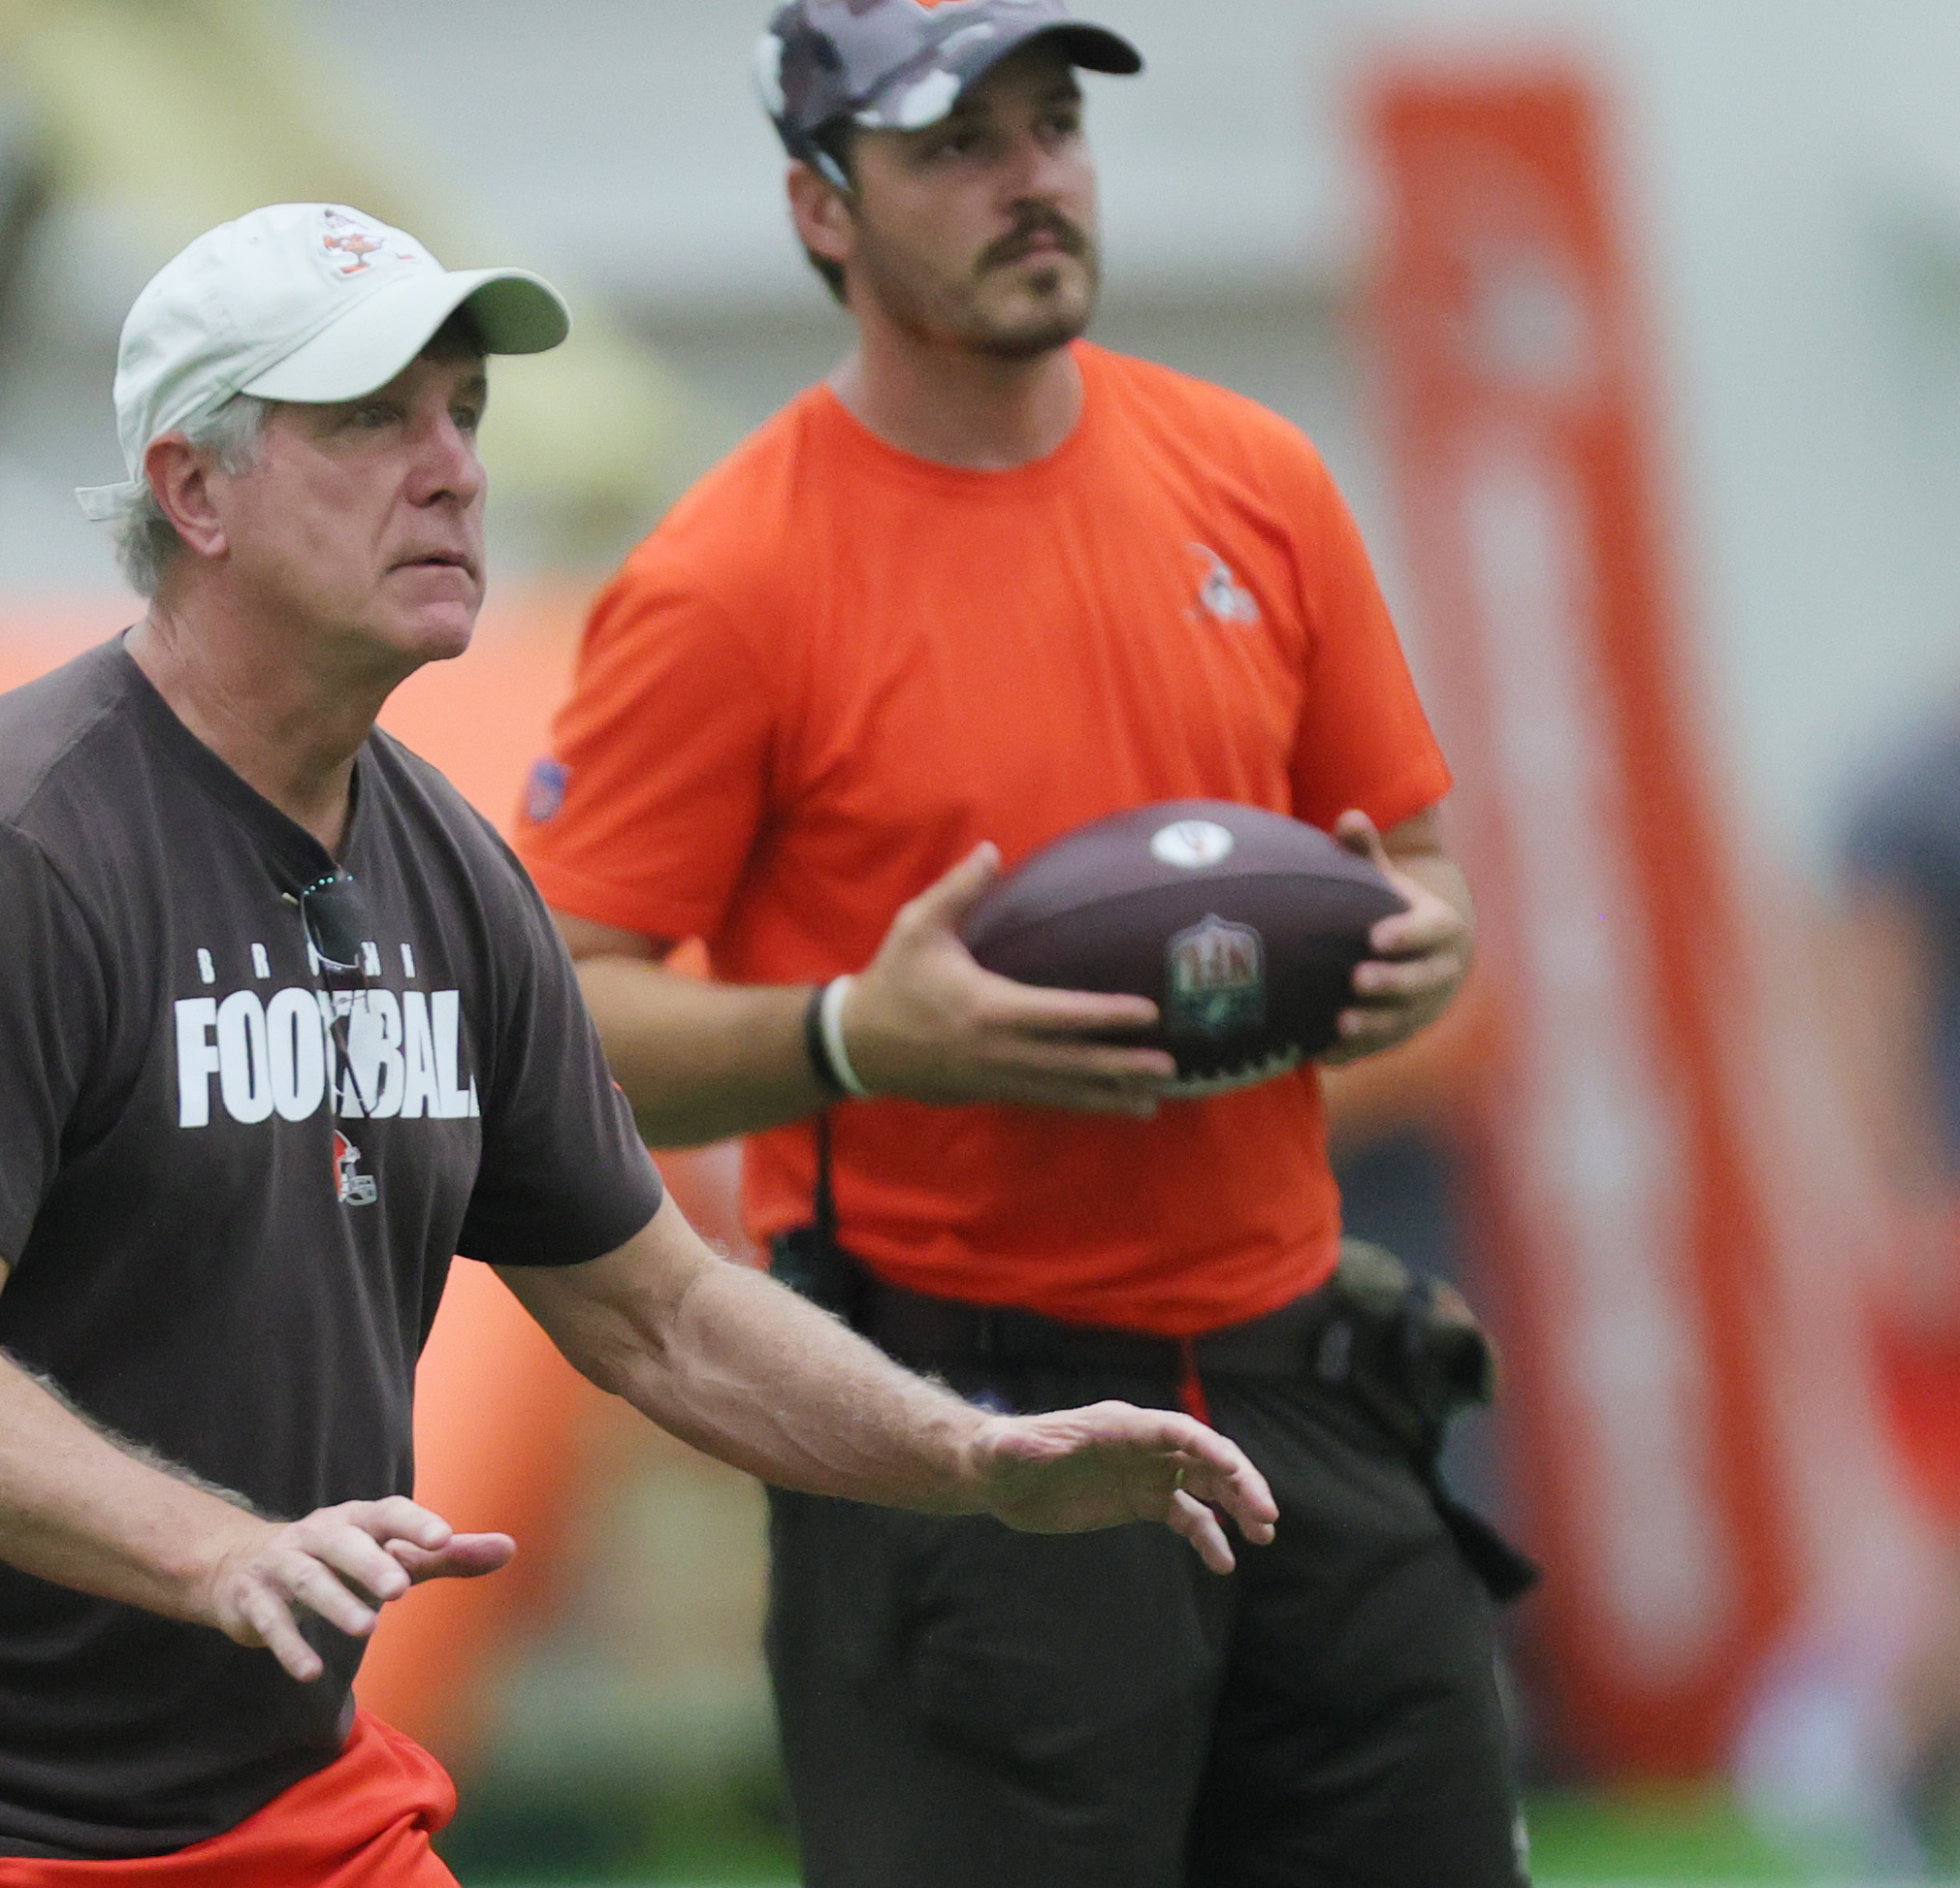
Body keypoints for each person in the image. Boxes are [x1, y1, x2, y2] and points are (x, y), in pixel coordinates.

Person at [0, 201, 1275, 1888]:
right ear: (193, 488)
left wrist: (974, 1458)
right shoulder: (3, 849)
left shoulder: (445, 866)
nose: (453, 470)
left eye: (464, 413)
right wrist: (223, 1554)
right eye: (370, 418)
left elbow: (662, 1312)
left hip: (266, 1793)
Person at [511, 7, 1520, 1884]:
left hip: (1305, 1378)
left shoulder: (1259, 482)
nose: (1033, 175)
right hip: (962, 1422)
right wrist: (850, 1037)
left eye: (1053, 125)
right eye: (957, 145)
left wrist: (1406, 948)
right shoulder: (727, 578)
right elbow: (546, 1019)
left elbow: (1433, 877)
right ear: (823, 209)